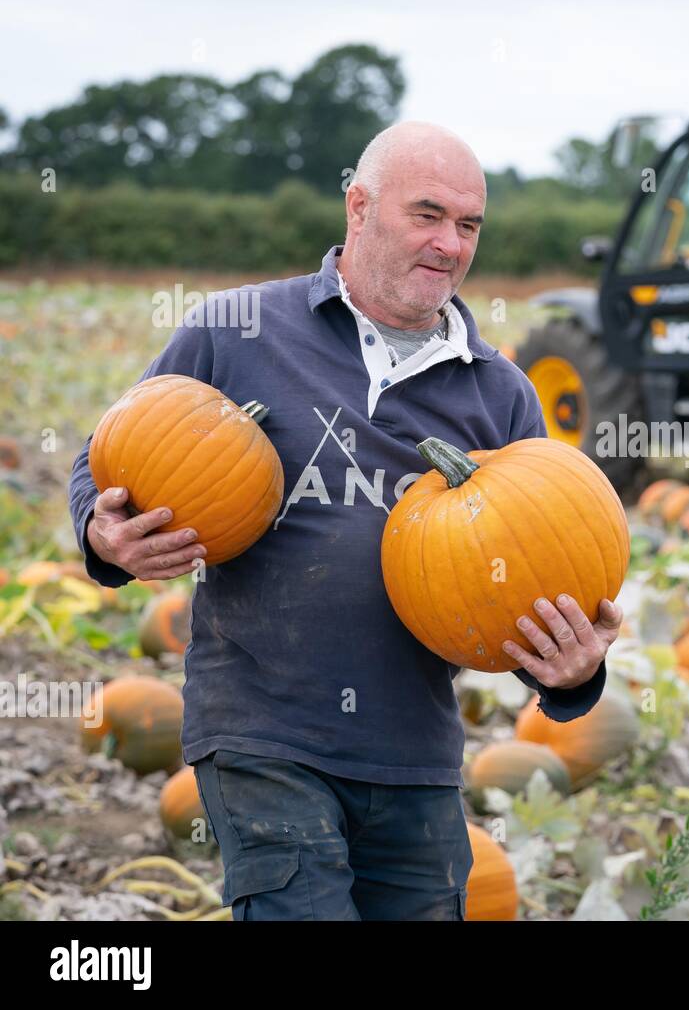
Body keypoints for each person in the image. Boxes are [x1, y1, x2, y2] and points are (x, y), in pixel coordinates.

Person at [66, 122, 622, 920]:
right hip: (262, 729)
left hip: (414, 752)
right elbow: (108, 457)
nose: (449, 244)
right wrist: (102, 536)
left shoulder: (499, 394)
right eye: (426, 215)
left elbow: (529, 575)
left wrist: (572, 678)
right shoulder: (237, 332)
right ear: (358, 207)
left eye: (468, 226)